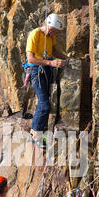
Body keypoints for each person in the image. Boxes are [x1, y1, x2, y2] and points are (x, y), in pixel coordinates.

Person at [26, 13, 69, 146]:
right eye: (56, 31)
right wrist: (51, 63)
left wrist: (66, 58)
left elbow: (53, 51)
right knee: (44, 104)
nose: (56, 34)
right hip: (36, 71)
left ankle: (36, 129)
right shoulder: (35, 34)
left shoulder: (50, 37)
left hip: (45, 70)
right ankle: (35, 133)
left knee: (45, 102)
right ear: (51, 28)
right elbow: (31, 59)